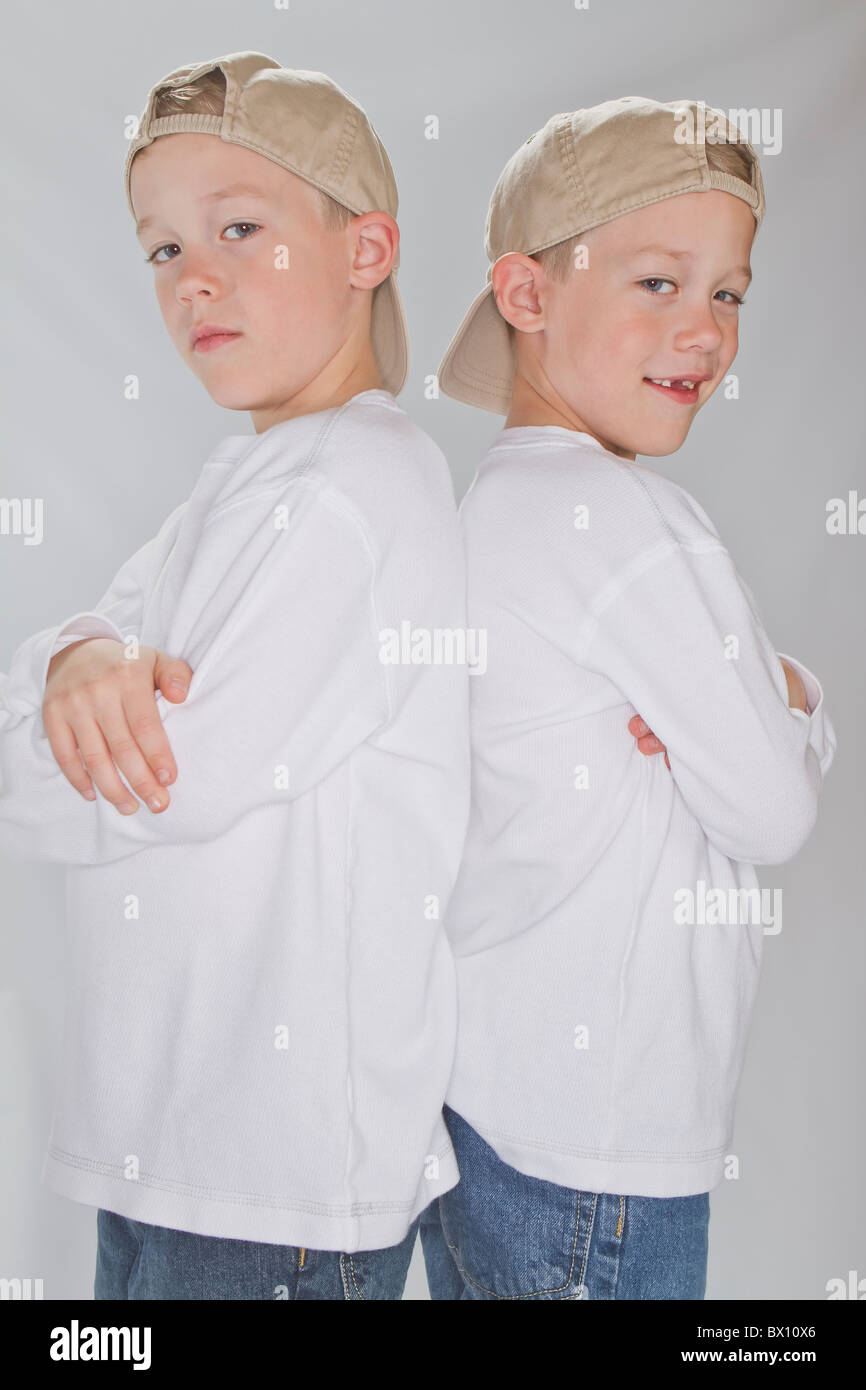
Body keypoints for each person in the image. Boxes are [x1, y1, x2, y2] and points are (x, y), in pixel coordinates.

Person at [0, 51, 471, 1300]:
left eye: (238, 228)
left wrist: (79, 697)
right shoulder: (244, 482)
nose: (190, 277)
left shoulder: (353, 488)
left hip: (274, 1187)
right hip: (172, 1154)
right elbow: (59, 688)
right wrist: (81, 656)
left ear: (365, 250)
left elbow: (161, 777)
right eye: (160, 249)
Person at [419, 96, 837, 1300]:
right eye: (658, 281)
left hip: (484, 1115)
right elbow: (768, 811)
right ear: (526, 295)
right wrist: (795, 693)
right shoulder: (630, 524)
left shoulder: (493, 507)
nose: (703, 332)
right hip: (594, 1148)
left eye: (727, 292)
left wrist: (743, 702)